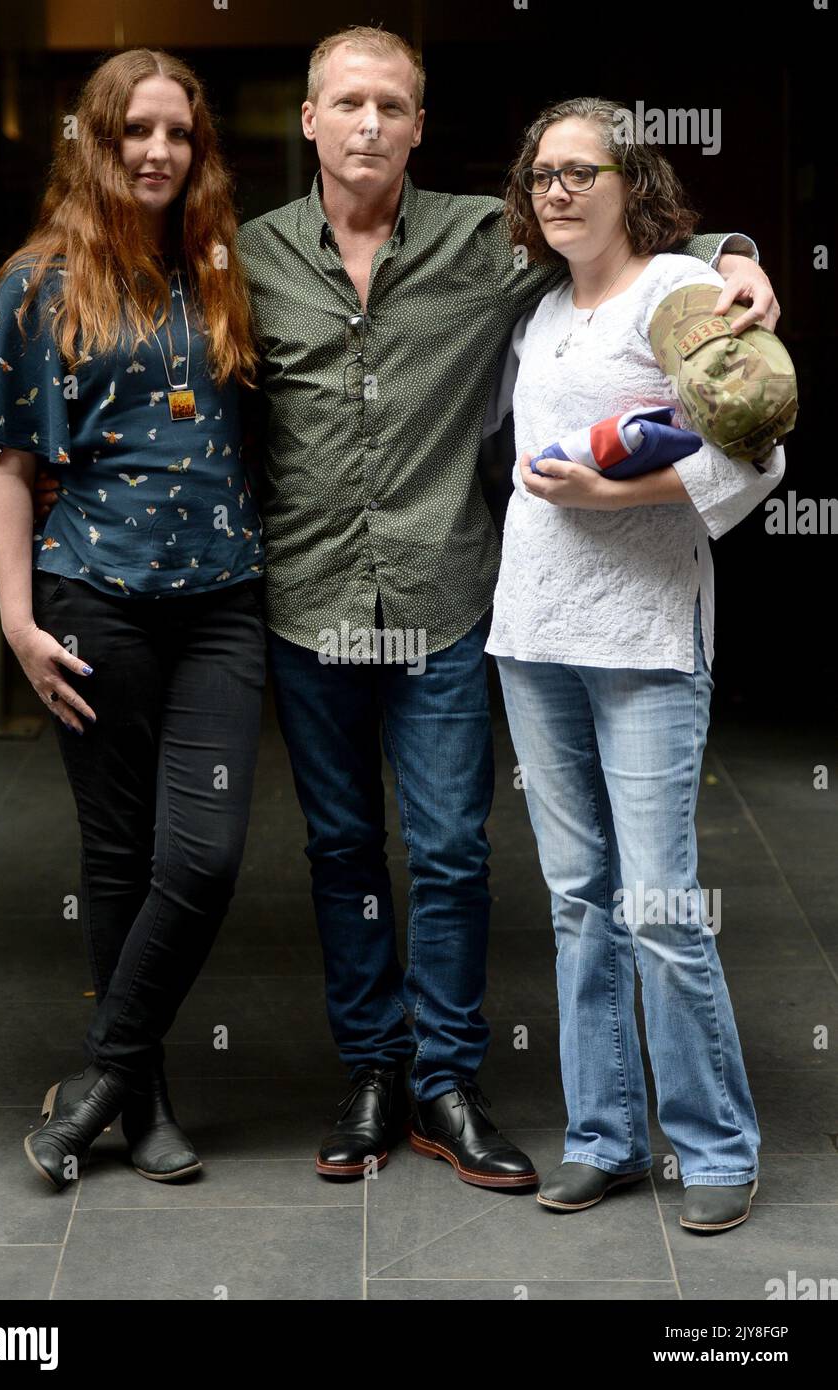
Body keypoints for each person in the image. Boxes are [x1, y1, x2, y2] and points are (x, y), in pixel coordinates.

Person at [233, 26, 781, 1189]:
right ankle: (381, 1075)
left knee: (450, 852)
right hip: (318, 602)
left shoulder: (490, 242)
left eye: (393, 103)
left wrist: (736, 249)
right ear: (311, 121)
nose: (370, 123)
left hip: (447, 601)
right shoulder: (252, 255)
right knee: (344, 852)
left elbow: (638, 249)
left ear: (420, 126)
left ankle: (448, 1080)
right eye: (348, 103)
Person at [482, 96, 785, 1230]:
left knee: (658, 903)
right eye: (542, 175)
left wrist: (616, 490)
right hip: (532, 633)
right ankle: (603, 1136)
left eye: (580, 171)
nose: (557, 190)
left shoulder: (676, 292)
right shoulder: (541, 309)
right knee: (576, 901)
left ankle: (714, 1143)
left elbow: (757, 456)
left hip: (648, 635)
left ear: (630, 182)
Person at [0, 48, 265, 1191]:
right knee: (117, 855)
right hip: (93, 595)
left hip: (224, 603)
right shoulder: (35, 282)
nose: (157, 151)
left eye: (178, 134)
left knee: (203, 852)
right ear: (94, 141)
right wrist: (15, 617)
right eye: (135, 130)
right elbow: (4, 464)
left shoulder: (222, 266)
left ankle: (95, 1078)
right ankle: (142, 1108)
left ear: (200, 151)